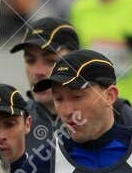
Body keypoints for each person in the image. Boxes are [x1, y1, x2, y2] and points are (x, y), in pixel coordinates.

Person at [9, 17, 80, 152]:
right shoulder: (11, 123)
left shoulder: (112, 114)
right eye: (30, 60)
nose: (38, 72)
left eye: (51, 61)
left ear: (76, 61)